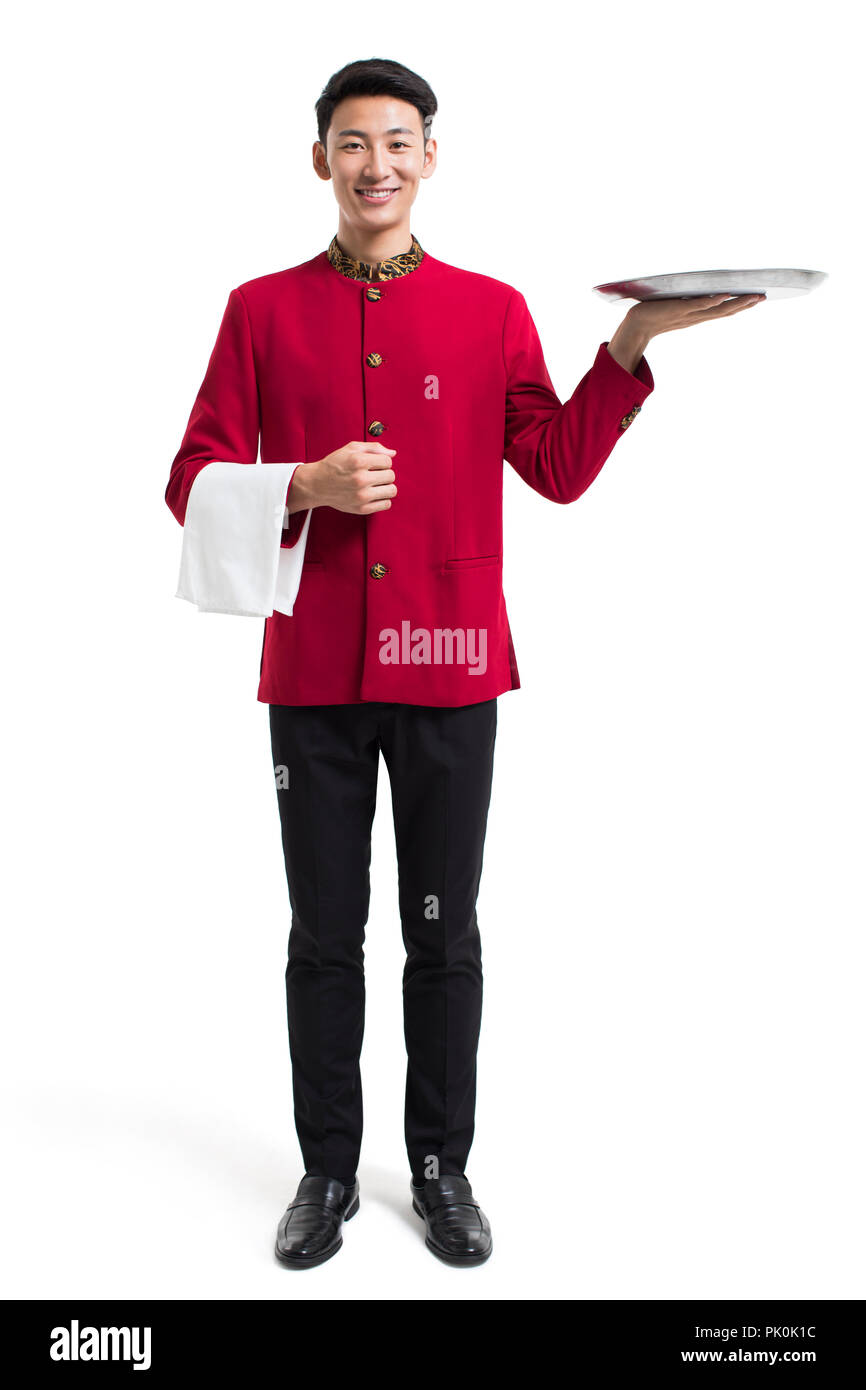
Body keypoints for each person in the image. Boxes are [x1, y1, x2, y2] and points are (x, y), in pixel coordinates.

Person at [165, 56, 765, 1269]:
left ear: (430, 156)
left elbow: (550, 463)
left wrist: (632, 340)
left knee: (443, 934)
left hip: (449, 669)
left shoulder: (489, 309)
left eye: (397, 142)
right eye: (350, 143)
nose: (374, 164)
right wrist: (303, 484)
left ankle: (440, 1168)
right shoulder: (259, 309)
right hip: (314, 675)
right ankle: (326, 1170)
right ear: (319, 160)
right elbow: (191, 477)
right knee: (324, 933)